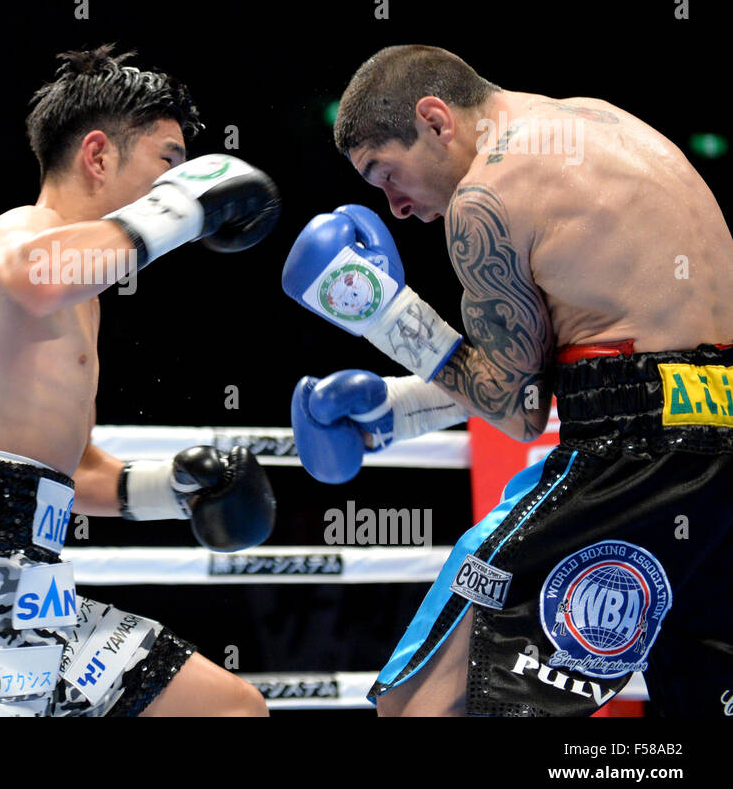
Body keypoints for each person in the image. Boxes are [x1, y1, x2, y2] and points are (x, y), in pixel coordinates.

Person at [285, 44, 733, 716]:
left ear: (435, 120)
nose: (396, 207)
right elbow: (580, 368)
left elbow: (522, 406)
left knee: (418, 702)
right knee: (702, 695)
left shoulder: (486, 192)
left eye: (385, 173)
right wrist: (397, 409)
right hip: (714, 449)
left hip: (631, 457)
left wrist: (386, 315)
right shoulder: (597, 122)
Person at [0, 44, 281, 717]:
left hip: (39, 589)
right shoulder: (24, 233)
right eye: (168, 164)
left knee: (232, 708)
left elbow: (71, 472)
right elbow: (35, 272)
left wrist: (177, 491)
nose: (180, 183)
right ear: (97, 155)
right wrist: (186, 210)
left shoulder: (84, 298)